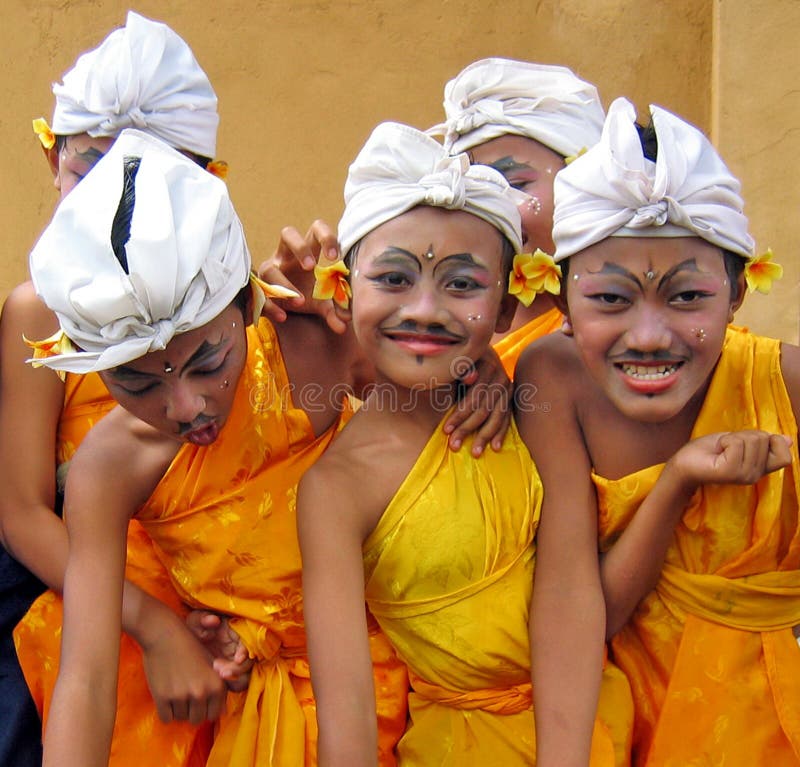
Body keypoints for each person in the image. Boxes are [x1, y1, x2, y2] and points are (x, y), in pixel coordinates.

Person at [27, 129, 410, 767]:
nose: (185, 406)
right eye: (136, 383)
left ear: (247, 304)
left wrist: (479, 384)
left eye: (209, 361)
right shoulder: (108, 469)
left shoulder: (307, 355)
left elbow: (434, 396)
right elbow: (86, 683)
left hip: (409, 682)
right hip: (261, 716)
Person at [297, 121, 631, 767]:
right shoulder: (336, 488)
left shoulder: (532, 400)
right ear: (345, 285)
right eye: (393, 279)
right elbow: (348, 724)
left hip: (598, 721)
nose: (424, 309)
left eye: (461, 284)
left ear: (506, 310)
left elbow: (572, 586)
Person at [518, 96, 800, 765]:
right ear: (560, 300)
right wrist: (677, 484)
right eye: (611, 298)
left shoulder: (782, 382)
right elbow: (583, 608)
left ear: (737, 292)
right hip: (616, 722)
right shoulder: (553, 381)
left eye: (687, 296)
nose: (648, 336)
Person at [1, 12, 225, 766]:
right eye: (89, 167)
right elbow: (23, 515)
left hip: (235, 612)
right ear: (51, 160)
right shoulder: (38, 312)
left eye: (152, 171)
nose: (116, 199)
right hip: (95, 603)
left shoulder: (227, 301)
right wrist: (154, 623)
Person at [428, 57, 606, 375]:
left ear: (585, 184)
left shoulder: (617, 337)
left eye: (515, 184)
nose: (491, 207)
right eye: (472, 188)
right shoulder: (423, 317)